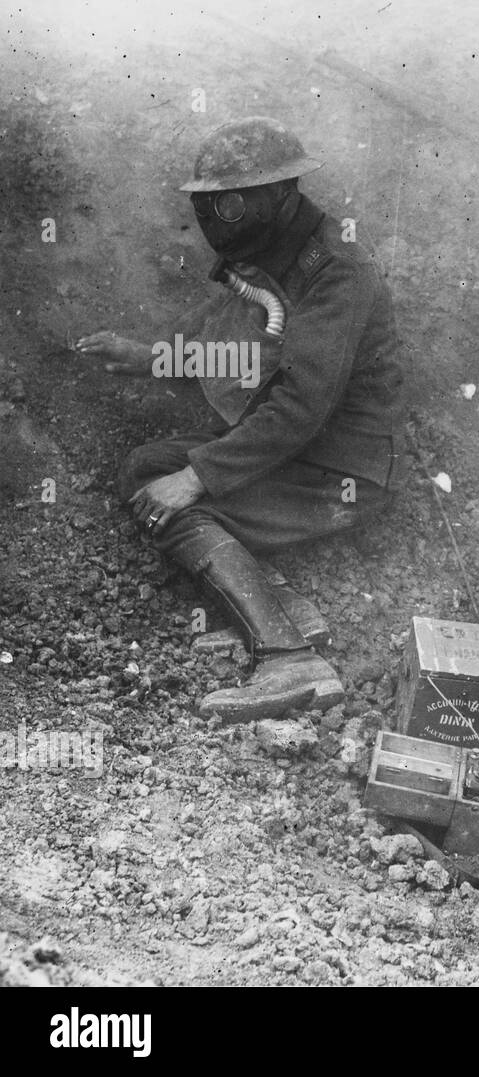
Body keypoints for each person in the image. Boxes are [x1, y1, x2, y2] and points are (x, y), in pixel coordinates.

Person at [77, 116, 404, 723]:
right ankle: (282, 603)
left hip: (338, 469)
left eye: (229, 201)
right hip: (291, 450)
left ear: (280, 193)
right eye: (207, 203)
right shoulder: (270, 255)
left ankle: (289, 658)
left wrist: (198, 476)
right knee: (147, 467)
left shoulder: (335, 271)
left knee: (171, 500)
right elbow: (239, 343)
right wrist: (151, 358)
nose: (214, 218)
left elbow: (302, 405)